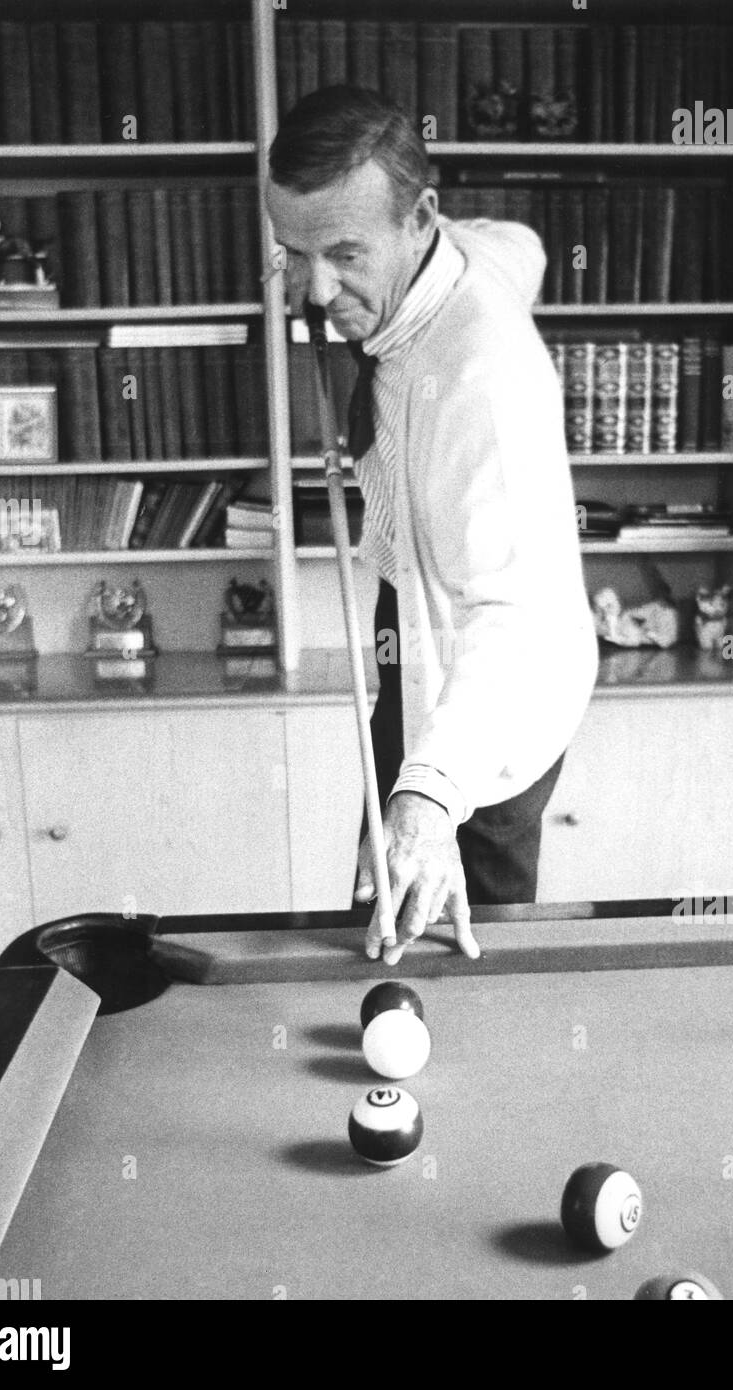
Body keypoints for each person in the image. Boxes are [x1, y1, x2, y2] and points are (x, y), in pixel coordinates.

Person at [266, 88, 598, 965]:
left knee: (433, 933)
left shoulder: (484, 382)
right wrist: (321, 260)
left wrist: (429, 800)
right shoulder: (458, 254)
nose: (317, 288)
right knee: (378, 893)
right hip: (405, 616)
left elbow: (514, 619)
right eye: (294, 253)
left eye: (343, 254)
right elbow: (519, 248)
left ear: (420, 219)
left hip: (498, 679)